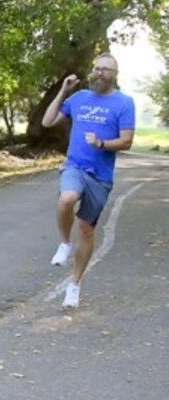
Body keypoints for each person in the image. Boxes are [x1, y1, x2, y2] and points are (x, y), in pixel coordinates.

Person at [41, 52, 135, 308]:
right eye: (96, 68)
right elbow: (47, 121)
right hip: (75, 166)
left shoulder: (124, 103)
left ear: (114, 75)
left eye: (105, 69)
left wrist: (102, 143)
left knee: (86, 229)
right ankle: (64, 244)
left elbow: (127, 141)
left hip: (101, 177)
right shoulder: (79, 98)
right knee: (67, 198)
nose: (99, 72)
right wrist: (63, 91)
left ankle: (74, 284)